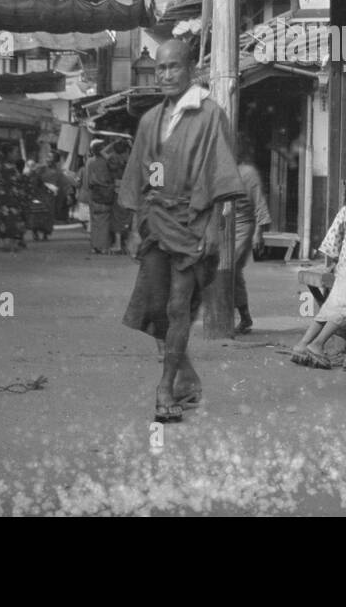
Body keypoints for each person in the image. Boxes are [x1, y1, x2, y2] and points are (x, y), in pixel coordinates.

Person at [118, 39, 244, 424]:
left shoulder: (209, 115)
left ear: (191, 69)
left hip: (193, 221)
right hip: (156, 221)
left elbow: (222, 174)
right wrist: (134, 226)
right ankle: (187, 376)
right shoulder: (150, 120)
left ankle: (165, 387)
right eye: (161, 68)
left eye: (174, 67)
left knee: (177, 307)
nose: (167, 74)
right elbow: (141, 173)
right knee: (155, 309)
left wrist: (215, 226)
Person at [291, 171, 346, 369]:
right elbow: (334, 237)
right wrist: (331, 263)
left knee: (331, 306)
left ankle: (302, 344)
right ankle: (317, 344)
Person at [232, 142, 271, 334]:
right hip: (222, 225)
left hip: (243, 225)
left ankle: (231, 316)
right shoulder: (217, 170)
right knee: (231, 272)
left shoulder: (248, 173)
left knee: (229, 268)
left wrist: (258, 232)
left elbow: (259, 203)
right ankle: (245, 317)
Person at [84, 141, 115, 253]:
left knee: (95, 221)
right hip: (106, 192)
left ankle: (94, 246)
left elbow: (87, 180)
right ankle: (103, 247)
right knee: (105, 221)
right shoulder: (107, 161)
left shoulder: (90, 162)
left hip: (94, 193)